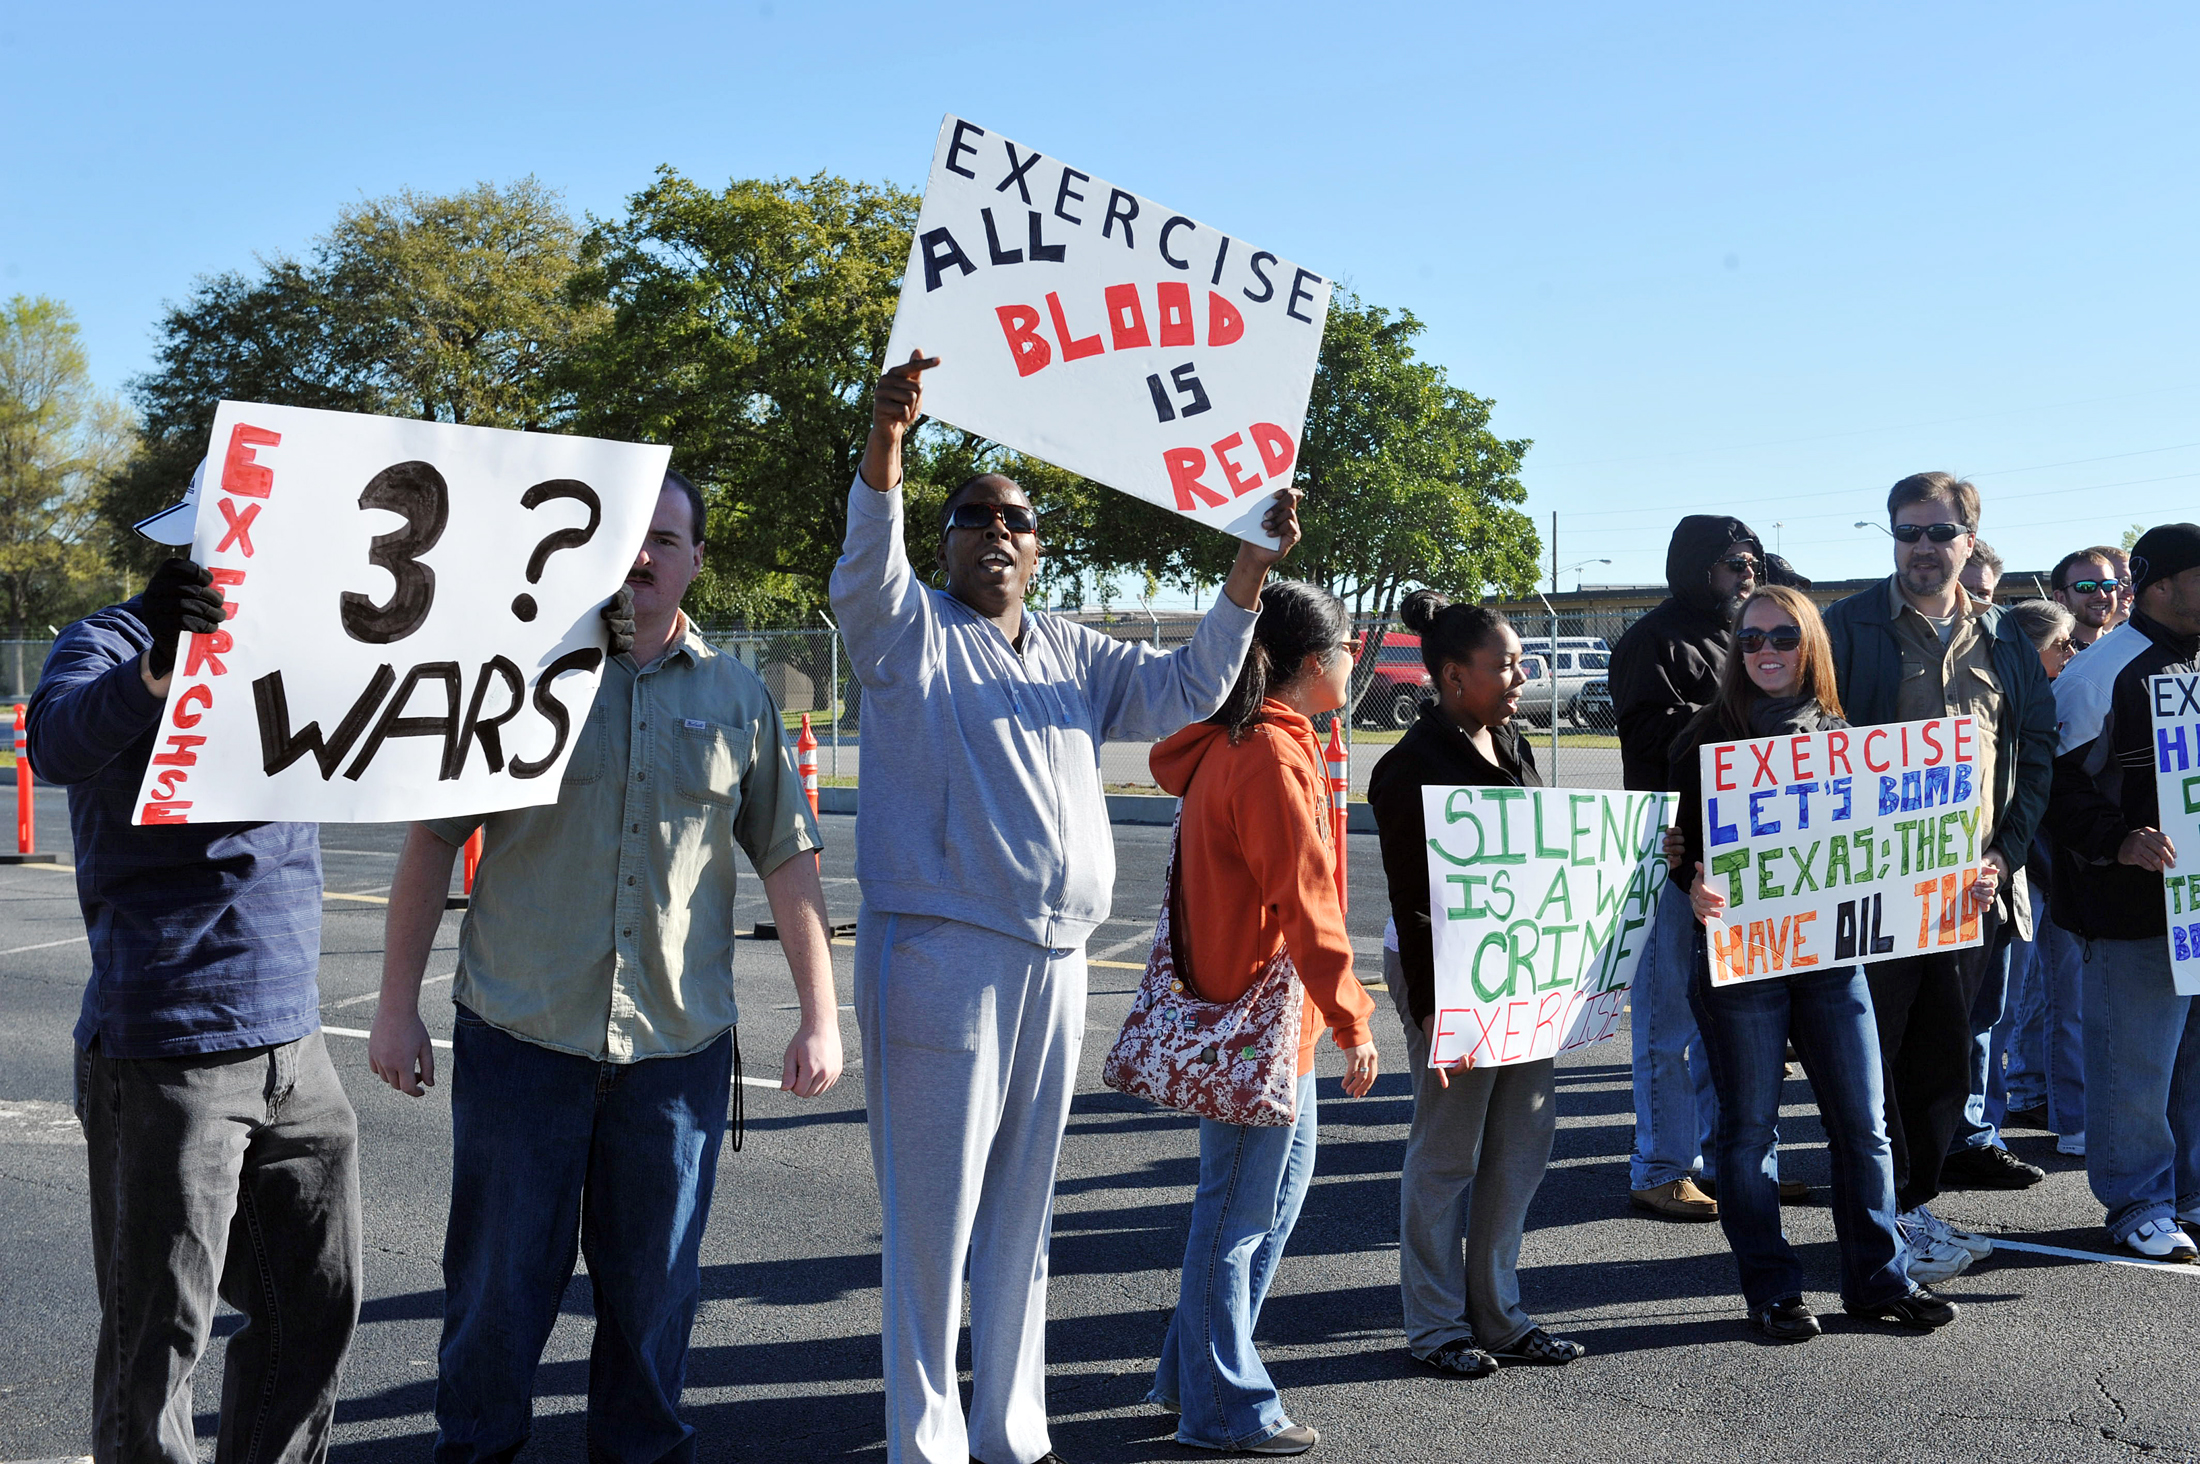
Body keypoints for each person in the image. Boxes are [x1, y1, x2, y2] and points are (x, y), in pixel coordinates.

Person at [833, 351, 1299, 1464]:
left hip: (1054, 960)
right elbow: (866, 567)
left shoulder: (1071, 651)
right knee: (933, 1219)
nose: (996, 530)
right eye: (973, 516)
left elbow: (1188, 688)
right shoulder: (904, 629)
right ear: (944, 541)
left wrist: (1246, 567)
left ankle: (1010, 1431)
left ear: (1041, 550)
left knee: (1021, 1216)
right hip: (939, 953)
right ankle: (925, 1442)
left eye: (1018, 519)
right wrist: (886, 446)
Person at [368, 469, 845, 1462]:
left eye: (666, 540)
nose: (643, 557)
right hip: (522, 1044)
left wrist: (820, 1016)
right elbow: (431, 840)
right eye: (629, 537)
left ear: (697, 560)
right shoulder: (521, 677)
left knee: (653, 1305)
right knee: (495, 1302)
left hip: (673, 1059)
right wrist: (394, 1008)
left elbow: (788, 860)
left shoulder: (738, 698)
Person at [28, 462, 361, 1463]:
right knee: (159, 1342)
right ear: (190, 549)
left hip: (297, 1044)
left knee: (317, 1307)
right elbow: (55, 741)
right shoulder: (111, 641)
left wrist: (573, 650)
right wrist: (154, 671)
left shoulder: (306, 649)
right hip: (168, 1050)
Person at [1143, 579, 1380, 1457]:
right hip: (1255, 1028)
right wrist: (1354, 1017)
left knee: (1265, 1205)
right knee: (1236, 1220)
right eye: (1349, 647)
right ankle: (1222, 1407)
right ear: (1314, 662)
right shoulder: (1269, 754)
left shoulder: (1247, 741)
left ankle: (1192, 1376)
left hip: (1264, 1024)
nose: (1354, 660)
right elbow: (1306, 902)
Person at [1676, 587, 1953, 1336]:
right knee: (1749, 1133)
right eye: (1751, 639)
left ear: (1811, 647)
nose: (1765, 651)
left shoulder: (1847, 741)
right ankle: (1772, 1290)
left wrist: (1962, 875)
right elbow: (1672, 848)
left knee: (1865, 1126)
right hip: (1743, 961)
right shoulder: (1705, 739)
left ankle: (1879, 1281)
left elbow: (1892, 850)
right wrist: (1689, 883)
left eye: (1783, 637)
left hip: (1834, 961)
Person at [1822, 472, 2057, 1285]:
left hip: (1973, 893)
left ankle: (1912, 1207)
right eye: (1907, 532)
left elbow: (2034, 751)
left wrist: (2004, 856)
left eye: (1939, 532)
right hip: (1874, 892)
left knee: (1942, 1067)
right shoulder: (1846, 626)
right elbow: (1802, 742)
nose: (1922, 547)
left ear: (1970, 540)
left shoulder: (2004, 635)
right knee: (1873, 1066)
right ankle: (1876, 1226)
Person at [1368, 591, 1587, 1378]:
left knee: (1520, 1148)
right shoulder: (1408, 768)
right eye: (1509, 665)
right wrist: (1440, 1016)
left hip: (1523, 971)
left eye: (1523, 664)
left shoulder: (1514, 742)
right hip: (1448, 977)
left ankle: (1499, 1316)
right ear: (1455, 676)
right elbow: (1415, 904)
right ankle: (1435, 1326)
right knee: (1448, 1153)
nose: (1524, 677)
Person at [1609, 517, 1808, 1218]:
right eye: (1733, 562)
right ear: (1698, 566)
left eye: (1753, 561)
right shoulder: (1653, 640)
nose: (1748, 572)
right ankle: (1661, 1165)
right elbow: (1648, 741)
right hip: (1670, 853)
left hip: (1747, 854)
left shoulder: (1749, 634)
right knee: (1668, 1024)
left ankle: (1737, 1165)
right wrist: (1738, 717)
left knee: (1740, 1026)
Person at [2041, 524, 2200, 1260]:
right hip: (2131, 908)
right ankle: (2138, 1202)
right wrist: (2117, 839)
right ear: (2160, 585)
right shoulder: (2101, 671)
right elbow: (2049, 781)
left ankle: (2189, 1194)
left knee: (2193, 1062)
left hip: (2195, 902)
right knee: (2133, 1064)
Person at [1981, 601, 2080, 1145]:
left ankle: (2058, 1119)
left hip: (2039, 868)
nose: (2071, 652)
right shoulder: (2004, 698)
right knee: (1999, 1009)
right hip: (2011, 869)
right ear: (2031, 646)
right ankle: (1984, 1128)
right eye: (2061, 643)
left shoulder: (2055, 692)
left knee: (2042, 1003)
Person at [2052, 547, 2124, 651]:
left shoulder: (2127, 649)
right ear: (2060, 597)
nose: (2101, 595)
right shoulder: (2048, 654)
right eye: (2086, 586)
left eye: (2108, 585)